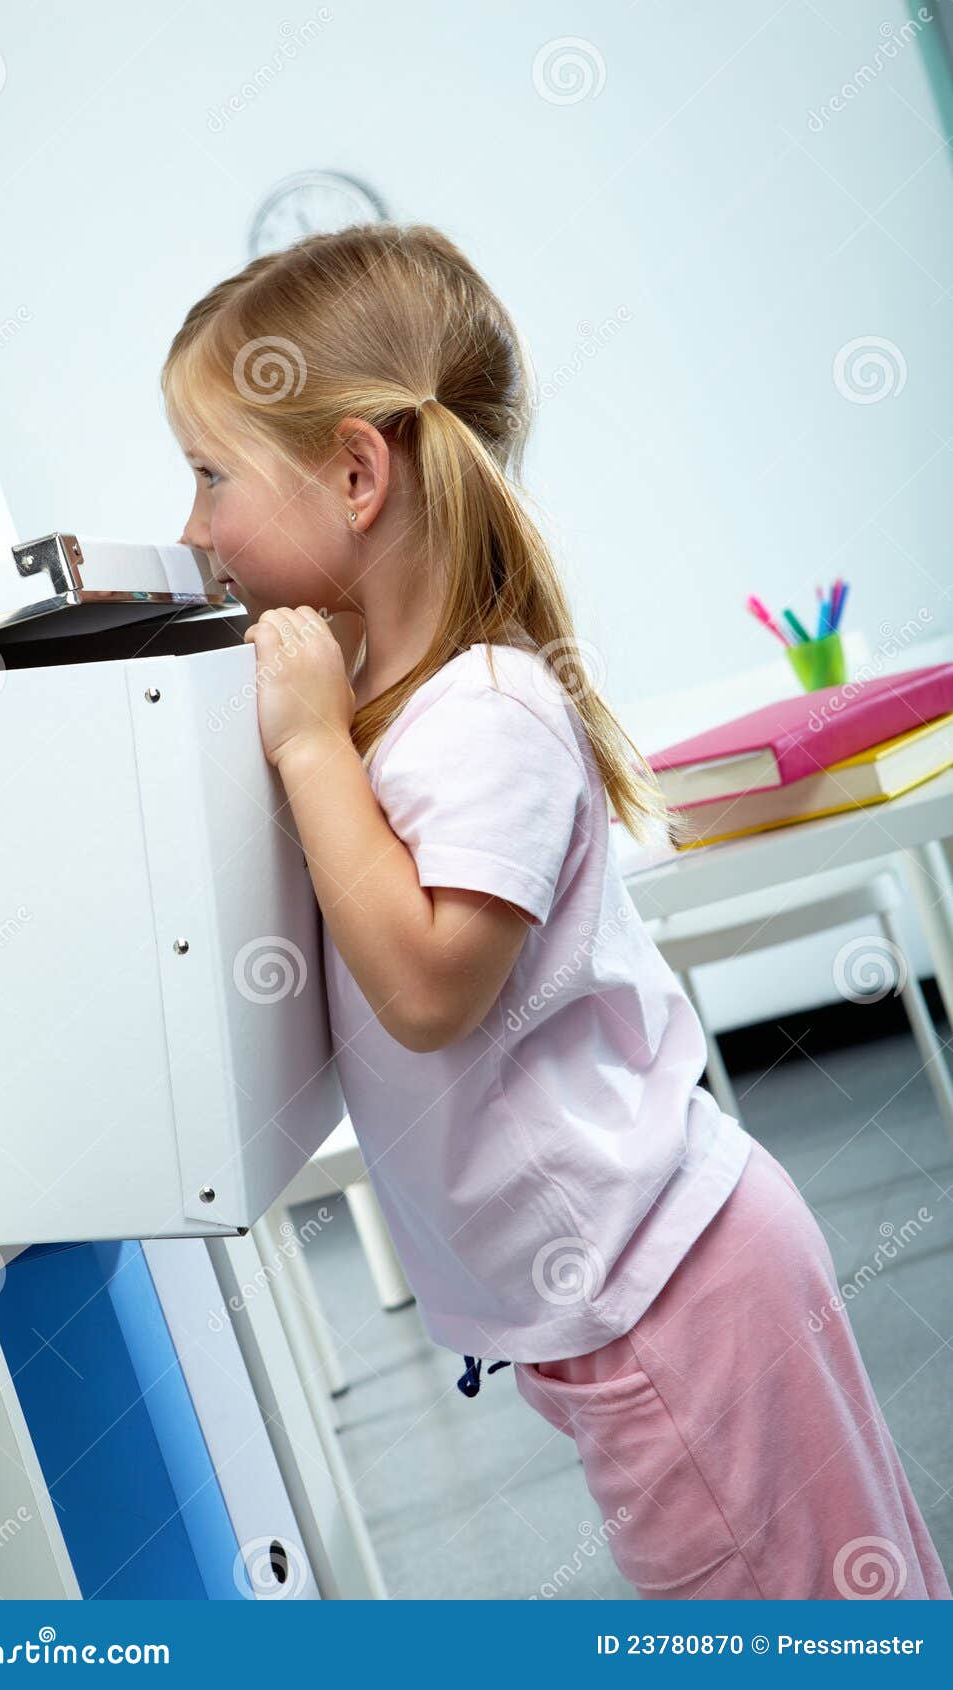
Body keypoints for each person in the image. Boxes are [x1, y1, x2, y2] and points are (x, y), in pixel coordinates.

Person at [161, 222, 949, 1601]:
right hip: (641, 1298)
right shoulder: (415, 711)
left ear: (356, 473)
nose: (192, 529)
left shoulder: (485, 709)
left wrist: (309, 745)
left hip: (673, 1299)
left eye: (210, 474)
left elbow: (428, 986)